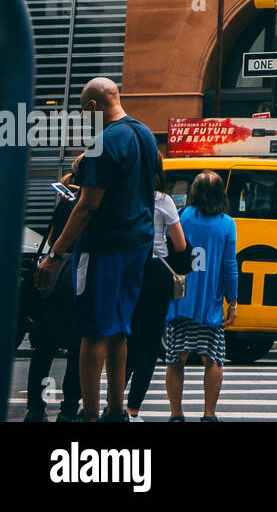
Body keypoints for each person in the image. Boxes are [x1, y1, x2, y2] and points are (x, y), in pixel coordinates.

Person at [34, 77, 160, 423]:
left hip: (103, 248)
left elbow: (88, 205)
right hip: (137, 245)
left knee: (92, 332)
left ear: (91, 107)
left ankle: (90, 417)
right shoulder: (146, 136)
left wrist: (55, 255)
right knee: (119, 330)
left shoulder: (102, 142)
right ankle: (116, 412)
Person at [163, 171, 237, 422]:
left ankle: (176, 414)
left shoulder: (184, 217)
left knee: (175, 359)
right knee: (213, 358)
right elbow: (229, 267)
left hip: (181, 299)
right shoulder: (228, 223)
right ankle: (209, 414)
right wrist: (233, 301)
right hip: (209, 304)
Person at [22, 157, 86, 422]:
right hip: (79, 277)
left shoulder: (64, 201)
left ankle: (35, 408)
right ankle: (69, 408)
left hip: (53, 275)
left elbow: (51, 239)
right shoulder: (91, 202)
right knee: (77, 348)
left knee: (44, 347)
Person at [124, 165, 188, 420]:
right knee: (149, 344)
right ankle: (133, 409)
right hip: (155, 272)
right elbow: (180, 243)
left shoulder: (124, 195)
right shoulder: (163, 200)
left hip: (126, 270)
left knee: (125, 339)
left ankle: (113, 404)